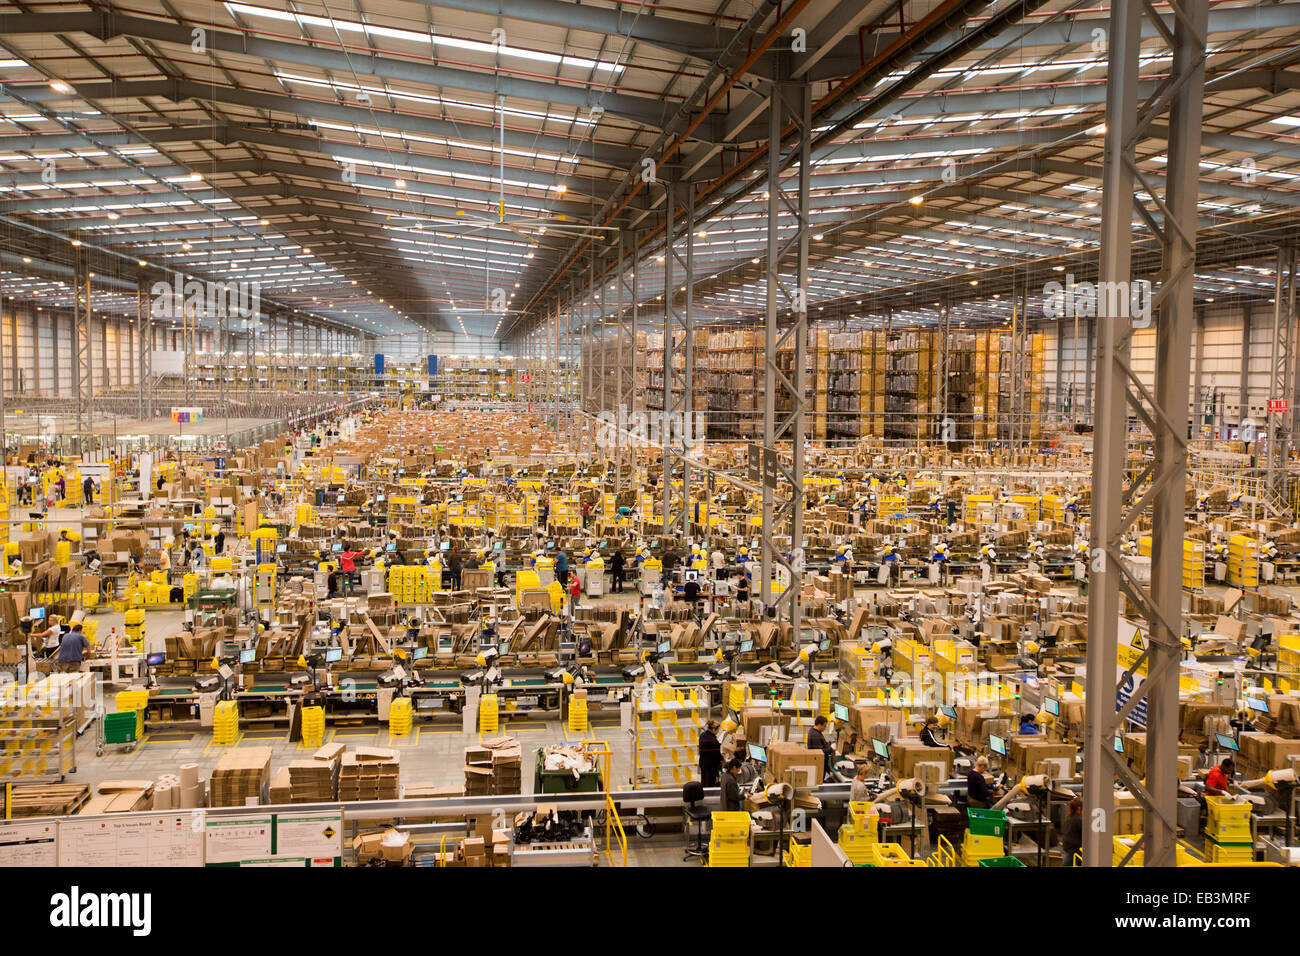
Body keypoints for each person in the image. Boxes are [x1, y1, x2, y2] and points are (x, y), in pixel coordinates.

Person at [698, 719, 722, 787]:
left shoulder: (702, 735)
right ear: (714, 729)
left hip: (703, 764)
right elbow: (718, 757)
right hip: (710, 767)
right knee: (709, 785)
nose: (718, 732)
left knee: (704, 782)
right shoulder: (713, 741)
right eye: (718, 730)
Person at [1061, 795, 1084, 866]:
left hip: (1068, 845)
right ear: (1079, 808)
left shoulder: (1071, 816)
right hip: (1074, 847)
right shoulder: (1078, 820)